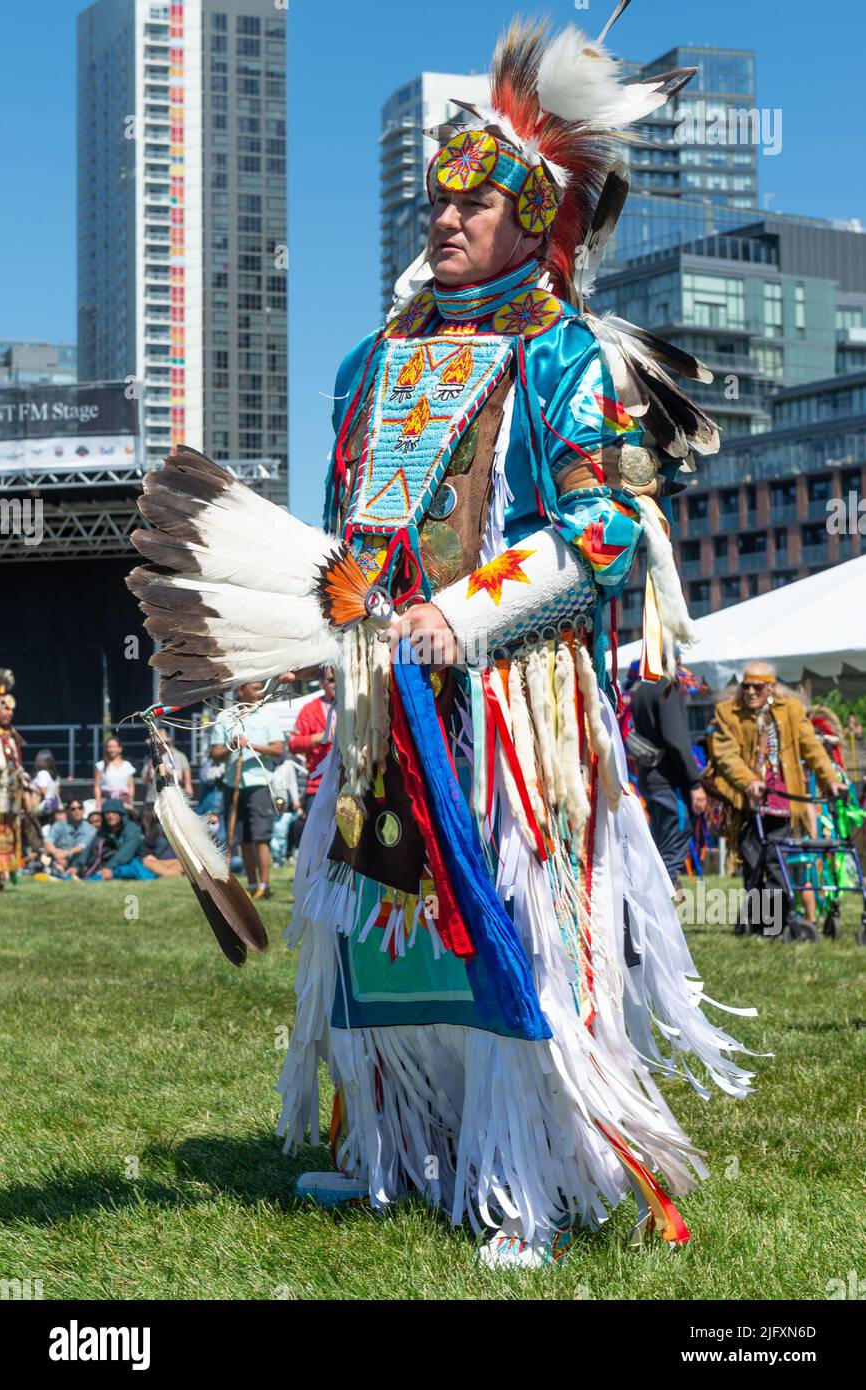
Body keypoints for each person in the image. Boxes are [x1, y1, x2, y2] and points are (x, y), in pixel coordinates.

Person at [126, 10, 756, 1266]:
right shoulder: (373, 362)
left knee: (507, 922)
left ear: (535, 220)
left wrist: (461, 615)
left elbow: (604, 533)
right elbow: (341, 534)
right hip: (379, 702)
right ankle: (395, 1155)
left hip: (509, 707)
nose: (447, 217)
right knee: (378, 925)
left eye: (479, 202)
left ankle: (526, 1178)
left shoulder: (565, 356)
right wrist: (318, 649)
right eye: (438, 199)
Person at [710, 664, 844, 937]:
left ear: (770, 687)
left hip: (782, 802)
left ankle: (775, 923)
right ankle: (757, 922)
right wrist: (748, 781)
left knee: (775, 861)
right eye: (746, 686)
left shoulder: (791, 710)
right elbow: (725, 754)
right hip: (746, 803)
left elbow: (812, 747)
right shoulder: (727, 712)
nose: (749, 692)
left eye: (757, 687)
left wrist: (830, 778)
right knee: (753, 861)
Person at [629, 667, 707, 888]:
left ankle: (657, 905)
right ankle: (662, 910)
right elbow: (677, 741)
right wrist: (694, 781)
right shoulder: (667, 689)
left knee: (661, 845)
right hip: (670, 782)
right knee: (672, 847)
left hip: (651, 779)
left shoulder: (642, 688)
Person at [210, 682, 284, 900]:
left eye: (261, 687)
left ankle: (264, 885)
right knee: (242, 837)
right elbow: (215, 753)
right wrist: (231, 745)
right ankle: (251, 885)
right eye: (255, 687)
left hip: (259, 783)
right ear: (240, 690)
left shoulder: (267, 716)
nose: (260, 692)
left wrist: (250, 745)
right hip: (233, 783)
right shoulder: (224, 717)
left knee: (260, 836)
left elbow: (279, 749)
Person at [288, 669, 336, 818]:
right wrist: (321, 737)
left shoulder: (356, 706)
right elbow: (293, 744)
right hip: (319, 788)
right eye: (332, 680)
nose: (337, 684)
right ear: (321, 683)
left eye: (340, 679)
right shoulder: (310, 709)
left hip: (354, 787)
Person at [75, 798, 150, 880]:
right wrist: (76, 866)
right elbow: (90, 848)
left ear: (121, 814)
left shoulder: (133, 829)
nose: (110, 815)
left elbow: (126, 852)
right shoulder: (104, 830)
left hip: (133, 863)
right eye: (107, 813)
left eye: (114, 812)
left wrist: (109, 867)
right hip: (110, 864)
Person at [0, 672, 25, 886]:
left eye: (10, 709)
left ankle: (7, 872)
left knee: (9, 830)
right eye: (4, 708)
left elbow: (14, 763)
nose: (8, 713)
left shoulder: (10, 734)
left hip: (10, 792)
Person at [44, 799, 96, 873]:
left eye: (80, 808)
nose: (77, 811)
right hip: (60, 859)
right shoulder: (58, 825)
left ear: (83, 810)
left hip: (79, 861)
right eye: (73, 809)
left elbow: (82, 847)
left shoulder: (90, 829)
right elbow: (48, 842)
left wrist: (65, 854)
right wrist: (56, 853)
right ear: (68, 812)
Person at [141, 728, 192, 803]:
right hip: (153, 798)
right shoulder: (149, 758)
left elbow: (178, 777)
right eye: (156, 744)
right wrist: (150, 767)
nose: (158, 746)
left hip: (171, 797)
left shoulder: (174, 756)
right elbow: (144, 781)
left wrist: (163, 767)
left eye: (160, 744)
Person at [94, 736, 136, 809]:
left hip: (124, 803)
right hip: (106, 802)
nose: (111, 749)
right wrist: (98, 805)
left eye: (113, 747)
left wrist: (130, 803)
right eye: (109, 747)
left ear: (120, 748)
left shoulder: (127, 765)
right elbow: (97, 786)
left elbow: (131, 786)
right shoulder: (101, 765)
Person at [32, 750, 62, 821]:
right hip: (53, 804)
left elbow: (44, 791)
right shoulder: (55, 775)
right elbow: (58, 792)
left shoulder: (42, 773)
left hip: (43, 806)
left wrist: (31, 787)